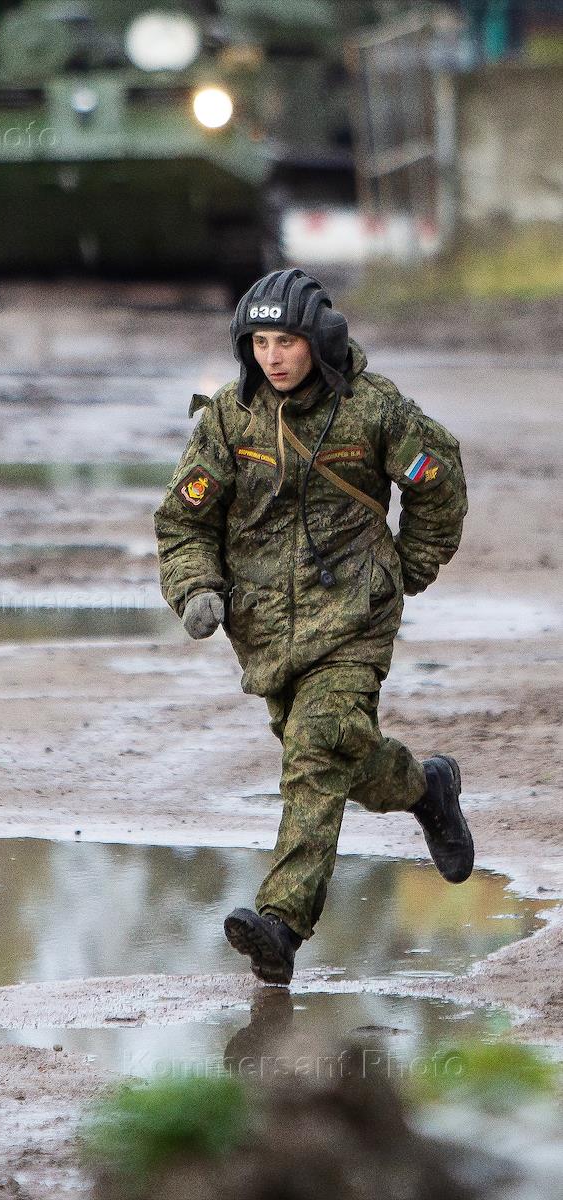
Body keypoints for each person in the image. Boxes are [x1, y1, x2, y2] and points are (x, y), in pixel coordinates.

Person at [153, 268, 473, 986]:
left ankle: (283, 924)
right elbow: (184, 521)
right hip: (266, 634)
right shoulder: (230, 420)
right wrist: (196, 589)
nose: (273, 356)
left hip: (354, 620)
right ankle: (426, 789)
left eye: (287, 341)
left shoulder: (373, 410)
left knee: (316, 748)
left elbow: (438, 481)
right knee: (336, 759)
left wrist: (406, 570)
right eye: (260, 342)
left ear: (318, 340)